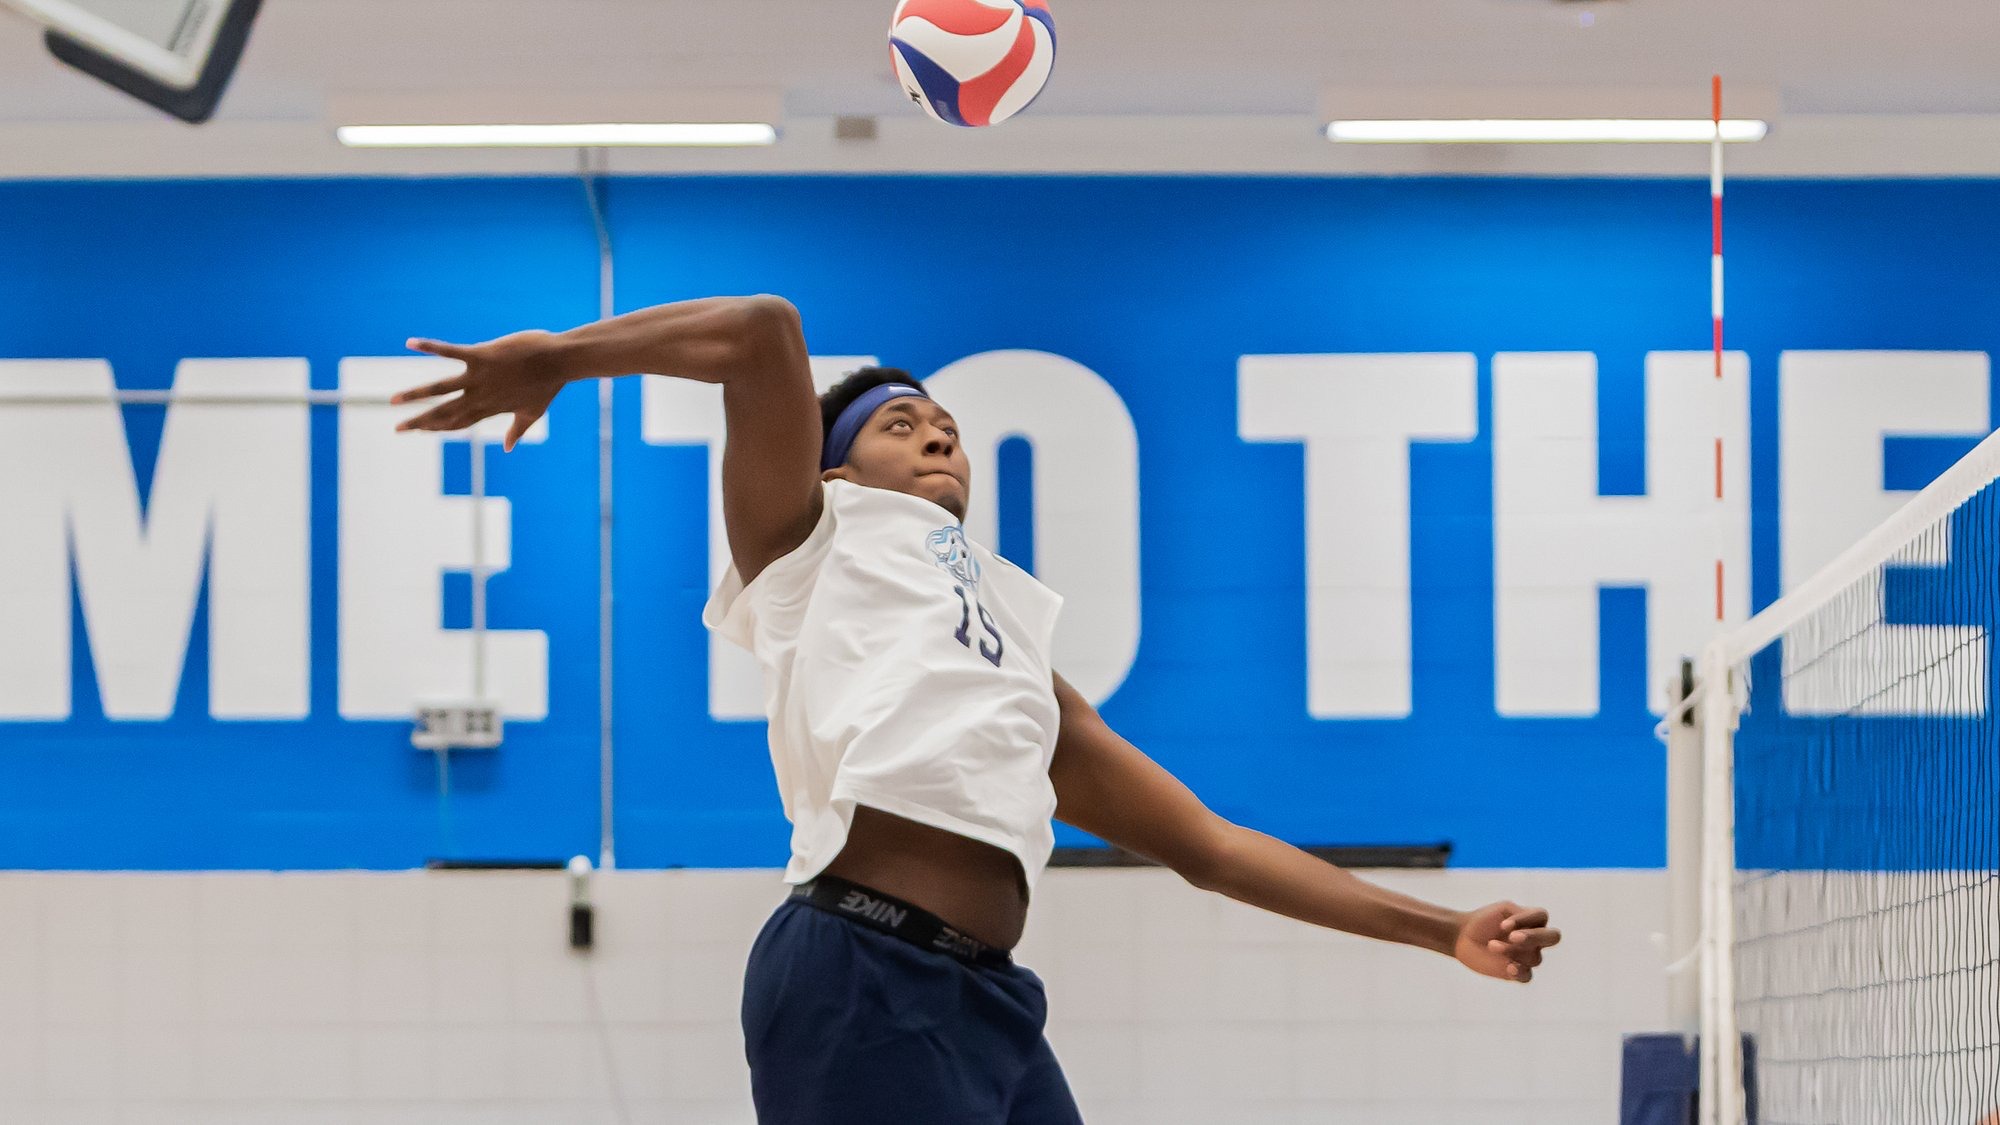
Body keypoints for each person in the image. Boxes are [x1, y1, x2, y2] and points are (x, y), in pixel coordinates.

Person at [392, 294, 1563, 1125]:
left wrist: (1441, 929)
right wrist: (560, 356)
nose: (934, 429)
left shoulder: (1012, 650)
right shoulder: (807, 545)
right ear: (834, 471)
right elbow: (760, 333)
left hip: (982, 995)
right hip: (859, 969)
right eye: (896, 424)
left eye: (944, 422)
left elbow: (1209, 847)